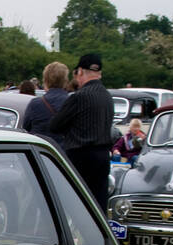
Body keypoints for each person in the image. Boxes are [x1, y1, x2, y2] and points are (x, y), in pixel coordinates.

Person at [51, 53, 115, 209]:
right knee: (99, 205)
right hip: (103, 156)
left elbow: (55, 125)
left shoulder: (79, 97)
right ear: (99, 73)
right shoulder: (107, 97)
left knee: (77, 205)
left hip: (80, 156)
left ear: (79, 72)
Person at [22, 61, 71, 142]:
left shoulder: (35, 104)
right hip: (65, 151)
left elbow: (26, 128)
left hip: (41, 149)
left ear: (45, 80)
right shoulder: (73, 103)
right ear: (65, 80)